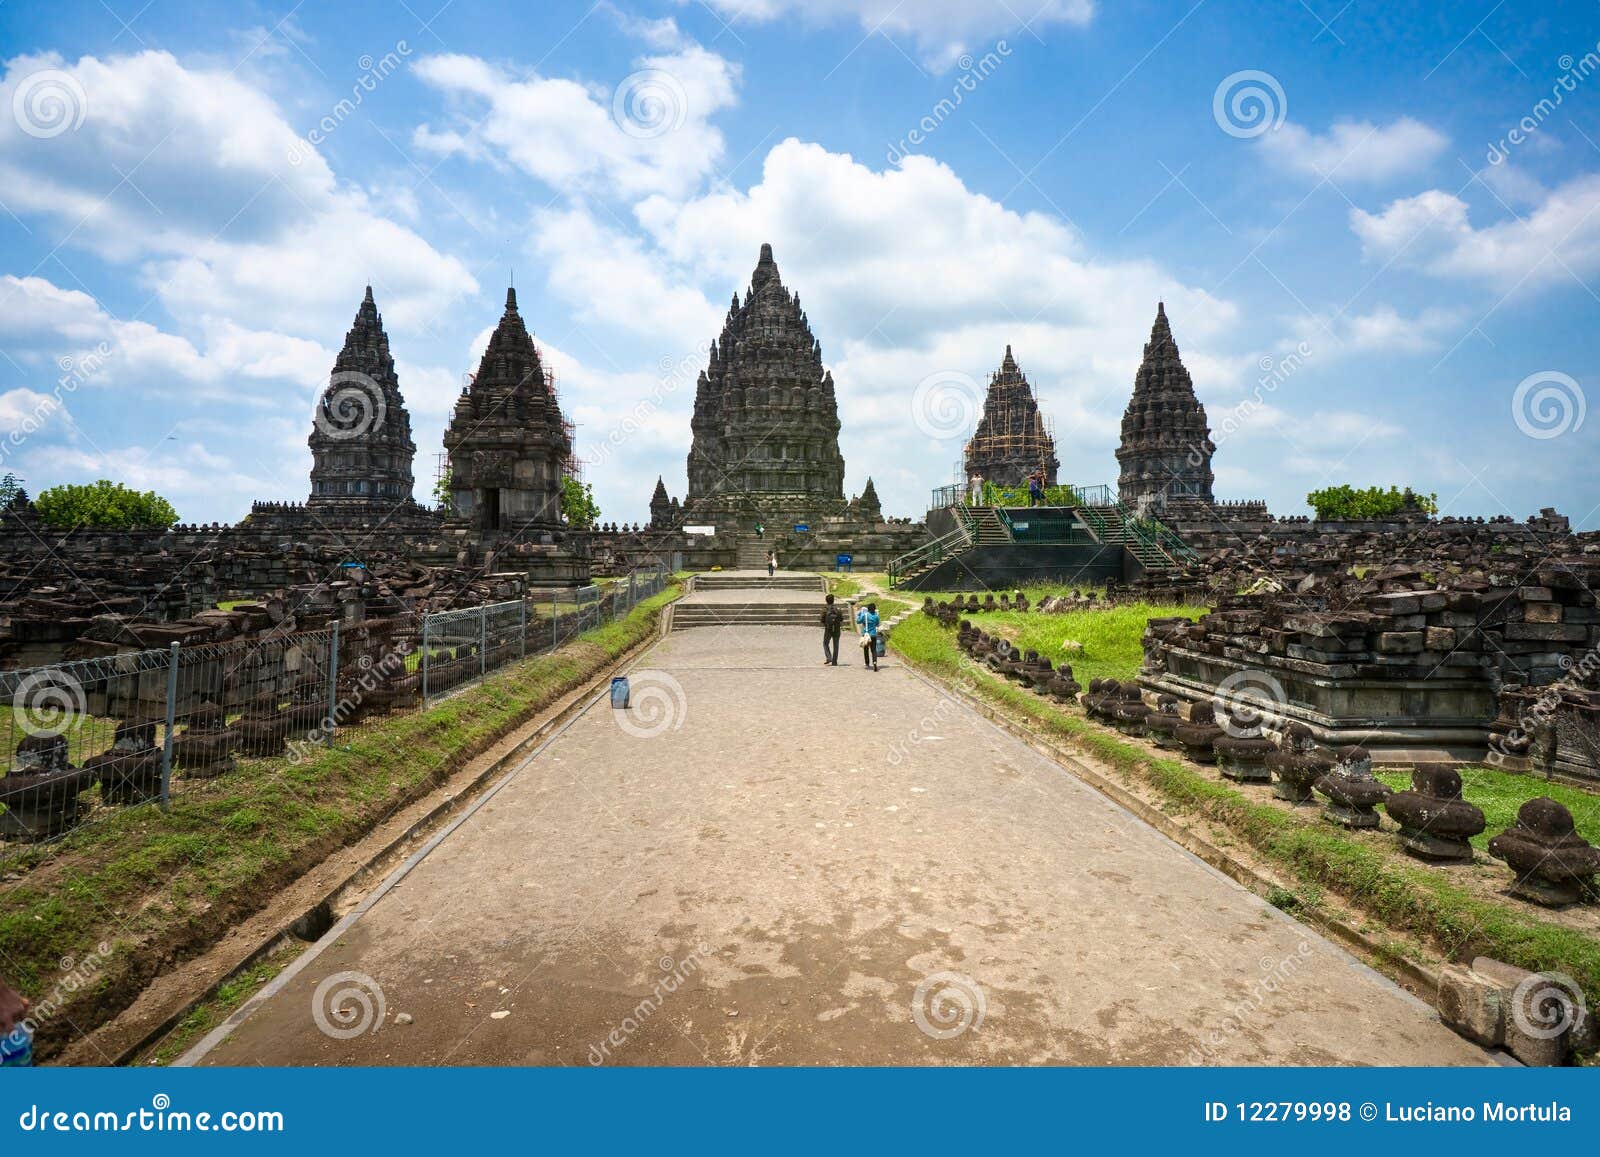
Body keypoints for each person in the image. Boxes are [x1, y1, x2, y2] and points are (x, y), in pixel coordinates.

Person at [855, 601, 880, 671]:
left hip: (866, 635)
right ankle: (874, 662)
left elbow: (858, 621)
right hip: (873, 635)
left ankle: (867, 663)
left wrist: (860, 613)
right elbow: (877, 624)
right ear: (874, 609)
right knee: (874, 650)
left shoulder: (865, 615)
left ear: (868, 609)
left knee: (866, 649)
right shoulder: (876, 616)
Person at [820, 593, 844, 665]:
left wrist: (826, 623)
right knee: (836, 645)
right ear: (833, 600)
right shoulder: (838, 609)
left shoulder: (825, 609)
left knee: (825, 643)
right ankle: (834, 661)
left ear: (826, 601)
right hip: (837, 629)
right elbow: (841, 619)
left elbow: (821, 619)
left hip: (828, 629)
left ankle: (829, 657)